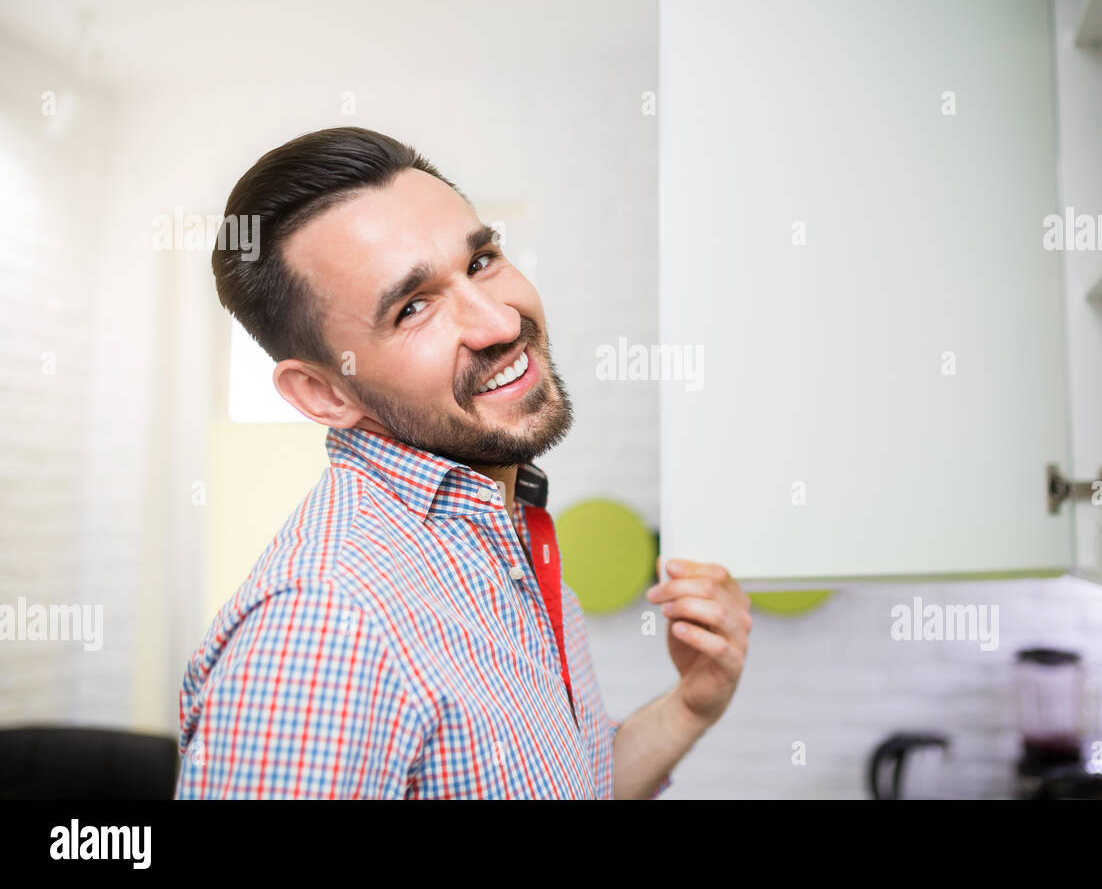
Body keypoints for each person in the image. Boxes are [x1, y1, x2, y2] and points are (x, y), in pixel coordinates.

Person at [175, 127, 752, 798]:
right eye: (413, 308)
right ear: (323, 392)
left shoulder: (499, 533)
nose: (500, 324)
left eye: (480, 262)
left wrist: (692, 703)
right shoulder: (324, 627)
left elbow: (574, 784)